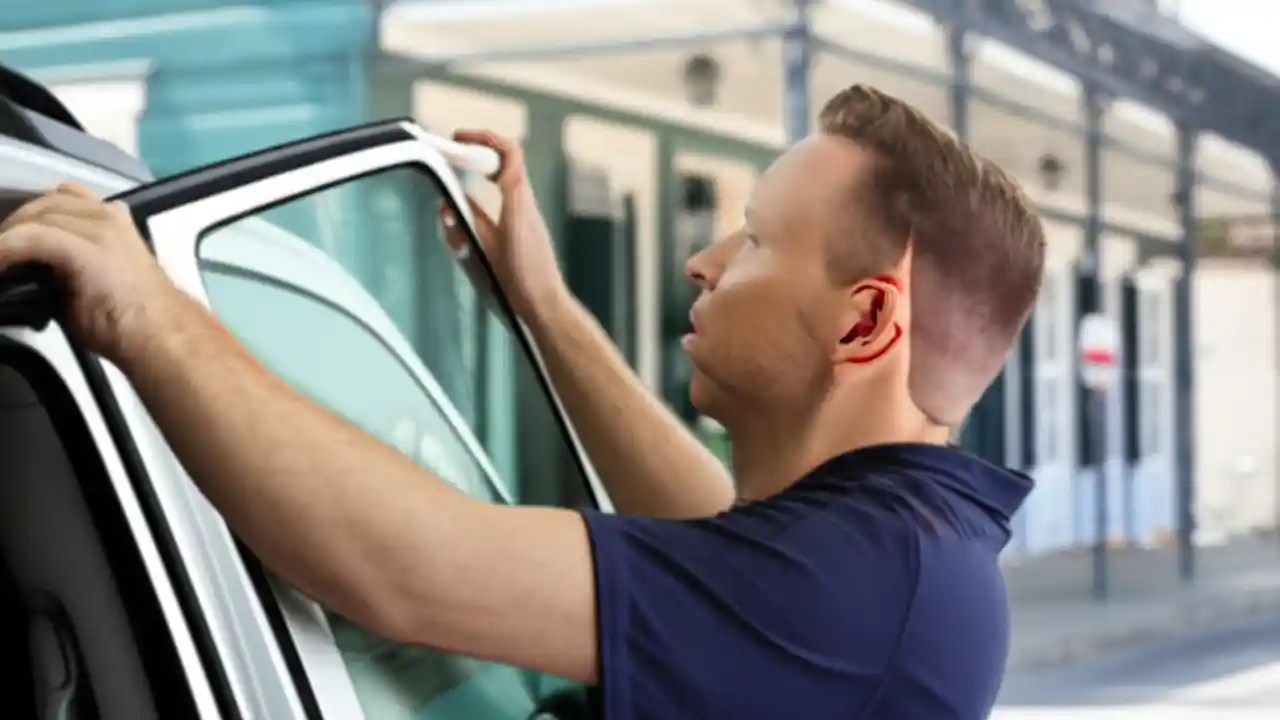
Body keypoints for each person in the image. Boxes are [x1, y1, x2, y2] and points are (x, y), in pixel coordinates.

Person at [0, 84, 1043, 719]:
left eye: (756, 239)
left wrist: (145, 314)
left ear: (863, 324)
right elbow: (709, 532)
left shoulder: (854, 587)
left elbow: (402, 571)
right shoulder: (902, 545)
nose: (703, 260)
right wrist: (542, 304)